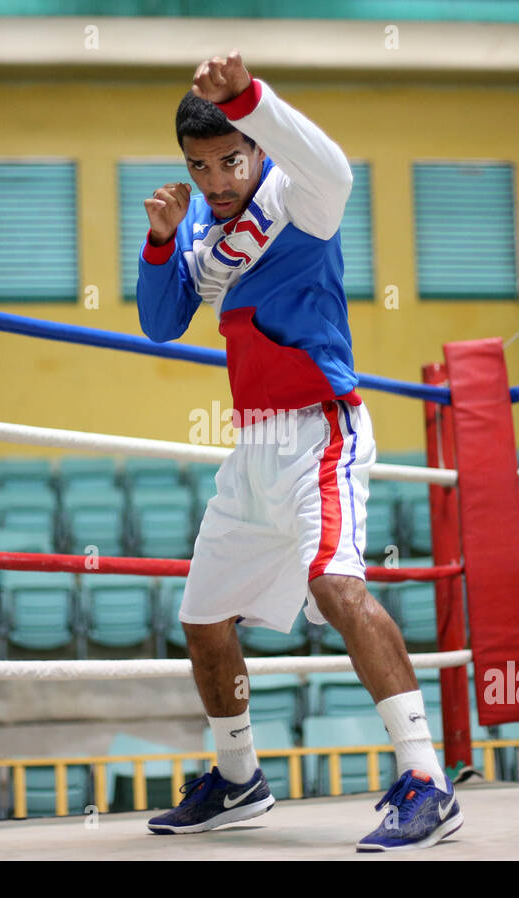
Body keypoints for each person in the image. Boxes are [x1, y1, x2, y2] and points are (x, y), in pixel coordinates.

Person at [135, 50, 462, 852]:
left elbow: (337, 166)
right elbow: (161, 321)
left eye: (229, 158)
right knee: (204, 617)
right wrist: (160, 241)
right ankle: (239, 779)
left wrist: (250, 97)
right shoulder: (207, 234)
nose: (215, 179)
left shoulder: (298, 196)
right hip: (251, 446)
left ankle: (428, 783)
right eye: (199, 166)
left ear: (255, 143)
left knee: (336, 585)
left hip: (322, 429)